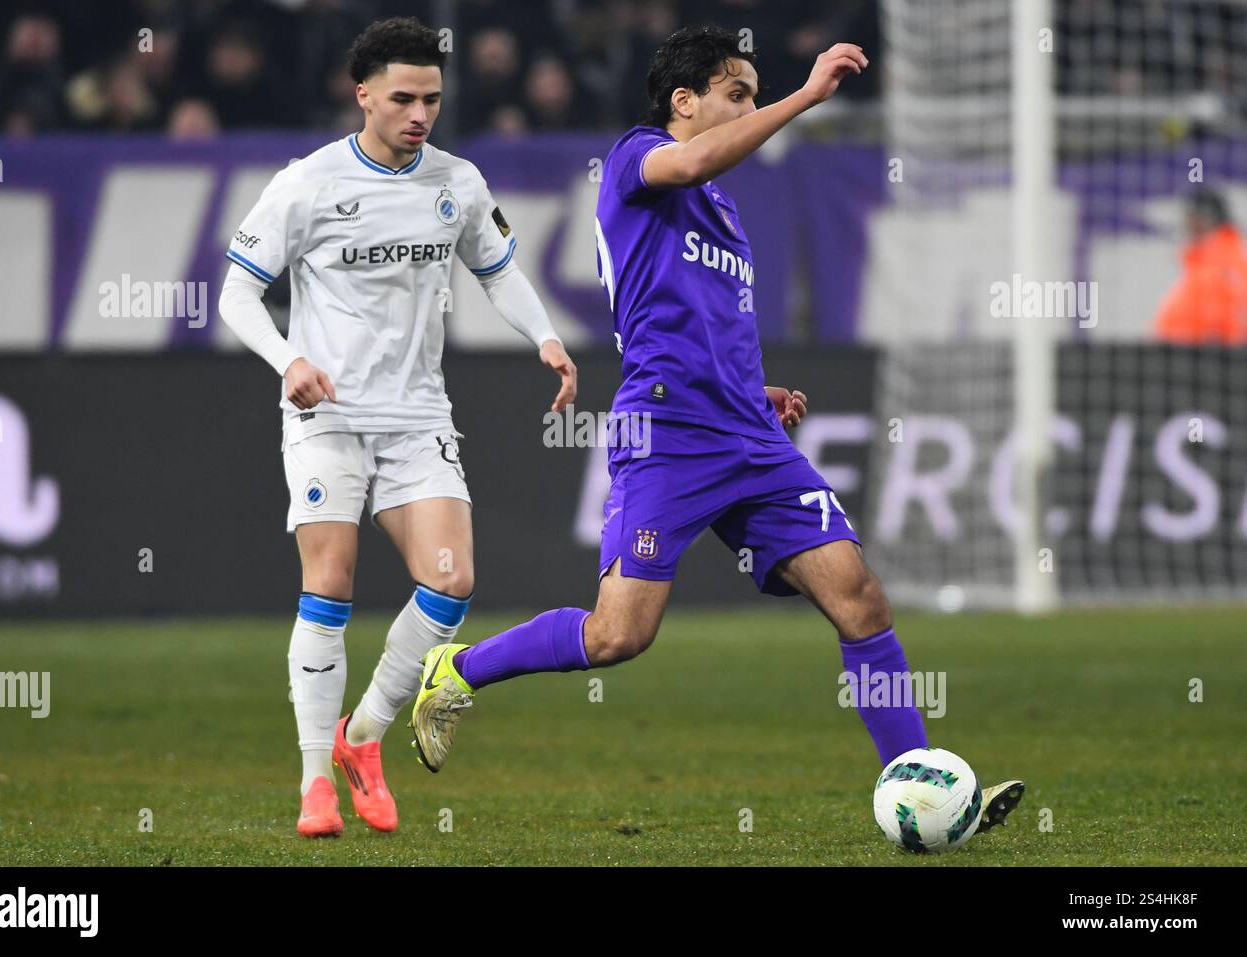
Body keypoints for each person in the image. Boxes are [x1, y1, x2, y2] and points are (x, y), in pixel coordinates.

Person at [410, 26, 1023, 837]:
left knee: (861, 601)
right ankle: (454, 669)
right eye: (739, 94)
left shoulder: (723, 213)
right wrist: (805, 98)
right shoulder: (636, 159)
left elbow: (697, 314)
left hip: (748, 437)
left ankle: (919, 786)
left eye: (760, 95)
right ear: (683, 101)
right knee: (620, 634)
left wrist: (752, 389)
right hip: (667, 432)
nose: (752, 107)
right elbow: (693, 162)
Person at [217, 17, 577, 837]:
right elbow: (236, 292)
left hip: (417, 415)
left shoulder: (457, 182)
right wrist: (287, 361)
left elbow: (501, 272)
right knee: (331, 582)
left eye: (434, 99)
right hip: (327, 413)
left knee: (450, 581)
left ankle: (364, 735)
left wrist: (548, 338)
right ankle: (314, 781)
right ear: (365, 96)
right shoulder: (306, 185)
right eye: (406, 98)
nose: (421, 113)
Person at [1154, 190, 1247, 345]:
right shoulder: (1206, 264)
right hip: (1182, 361)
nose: (1187, 225)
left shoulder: (1221, 265)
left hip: (1199, 363)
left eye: (1192, 217)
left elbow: (1227, 328)